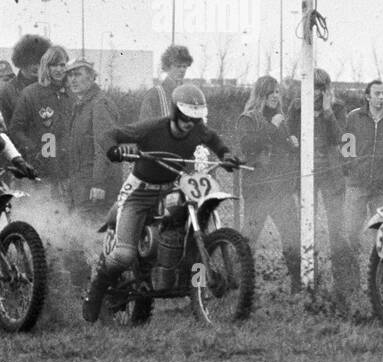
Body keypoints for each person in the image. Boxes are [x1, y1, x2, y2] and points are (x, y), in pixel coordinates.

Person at [82, 84, 242, 322]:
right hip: (138, 192)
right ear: (176, 112)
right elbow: (109, 135)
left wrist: (226, 156)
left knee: (185, 222)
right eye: (186, 117)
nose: (191, 123)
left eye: (196, 118)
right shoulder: (152, 128)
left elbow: (215, 142)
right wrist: (114, 151)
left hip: (171, 187)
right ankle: (95, 291)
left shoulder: (198, 130)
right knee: (124, 255)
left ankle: (178, 271)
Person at [287, 68, 353, 295]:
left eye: (320, 88)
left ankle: (343, 283)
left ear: (327, 90)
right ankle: (304, 281)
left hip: (331, 174)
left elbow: (342, 138)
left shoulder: (338, 107)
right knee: (306, 227)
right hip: (306, 175)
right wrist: (292, 139)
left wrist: (327, 112)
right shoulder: (296, 106)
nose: (315, 93)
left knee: (337, 229)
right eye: (312, 88)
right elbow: (289, 134)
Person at [237, 76, 303, 291]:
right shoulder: (248, 118)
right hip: (258, 189)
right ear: (261, 95)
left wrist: (292, 144)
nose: (275, 96)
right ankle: (240, 284)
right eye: (270, 92)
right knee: (249, 239)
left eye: (277, 92)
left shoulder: (280, 118)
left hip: (281, 189)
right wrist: (273, 128)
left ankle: (298, 284)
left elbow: (280, 149)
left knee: (292, 236)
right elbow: (248, 146)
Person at [342, 80, 383, 251]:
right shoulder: (354, 117)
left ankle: (379, 265)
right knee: (350, 229)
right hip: (357, 185)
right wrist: (352, 167)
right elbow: (345, 148)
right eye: (377, 94)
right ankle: (352, 260)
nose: (381, 97)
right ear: (367, 96)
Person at [10, 45, 72, 195]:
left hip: (67, 170)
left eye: (62, 65)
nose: (58, 69)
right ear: (46, 67)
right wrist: (34, 149)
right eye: (53, 65)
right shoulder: (30, 94)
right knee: (43, 210)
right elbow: (15, 129)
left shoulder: (72, 94)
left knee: (67, 214)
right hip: (41, 169)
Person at [63, 59, 120, 213]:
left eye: (78, 74)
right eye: (70, 75)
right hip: (81, 186)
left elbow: (105, 147)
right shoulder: (81, 106)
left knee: (91, 233)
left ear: (91, 77)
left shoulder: (99, 104)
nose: (73, 79)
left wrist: (99, 184)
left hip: (94, 189)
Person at [0, 34, 51, 126]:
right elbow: (12, 126)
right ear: (21, 61)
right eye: (31, 61)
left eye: (39, 62)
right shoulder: (9, 91)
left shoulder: (49, 86)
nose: (36, 66)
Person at [139, 44, 193, 120]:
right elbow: (144, 126)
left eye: (184, 66)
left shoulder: (188, 95)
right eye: (178, 66)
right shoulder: (154, 94)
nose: (182, 70)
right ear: (168, 67)